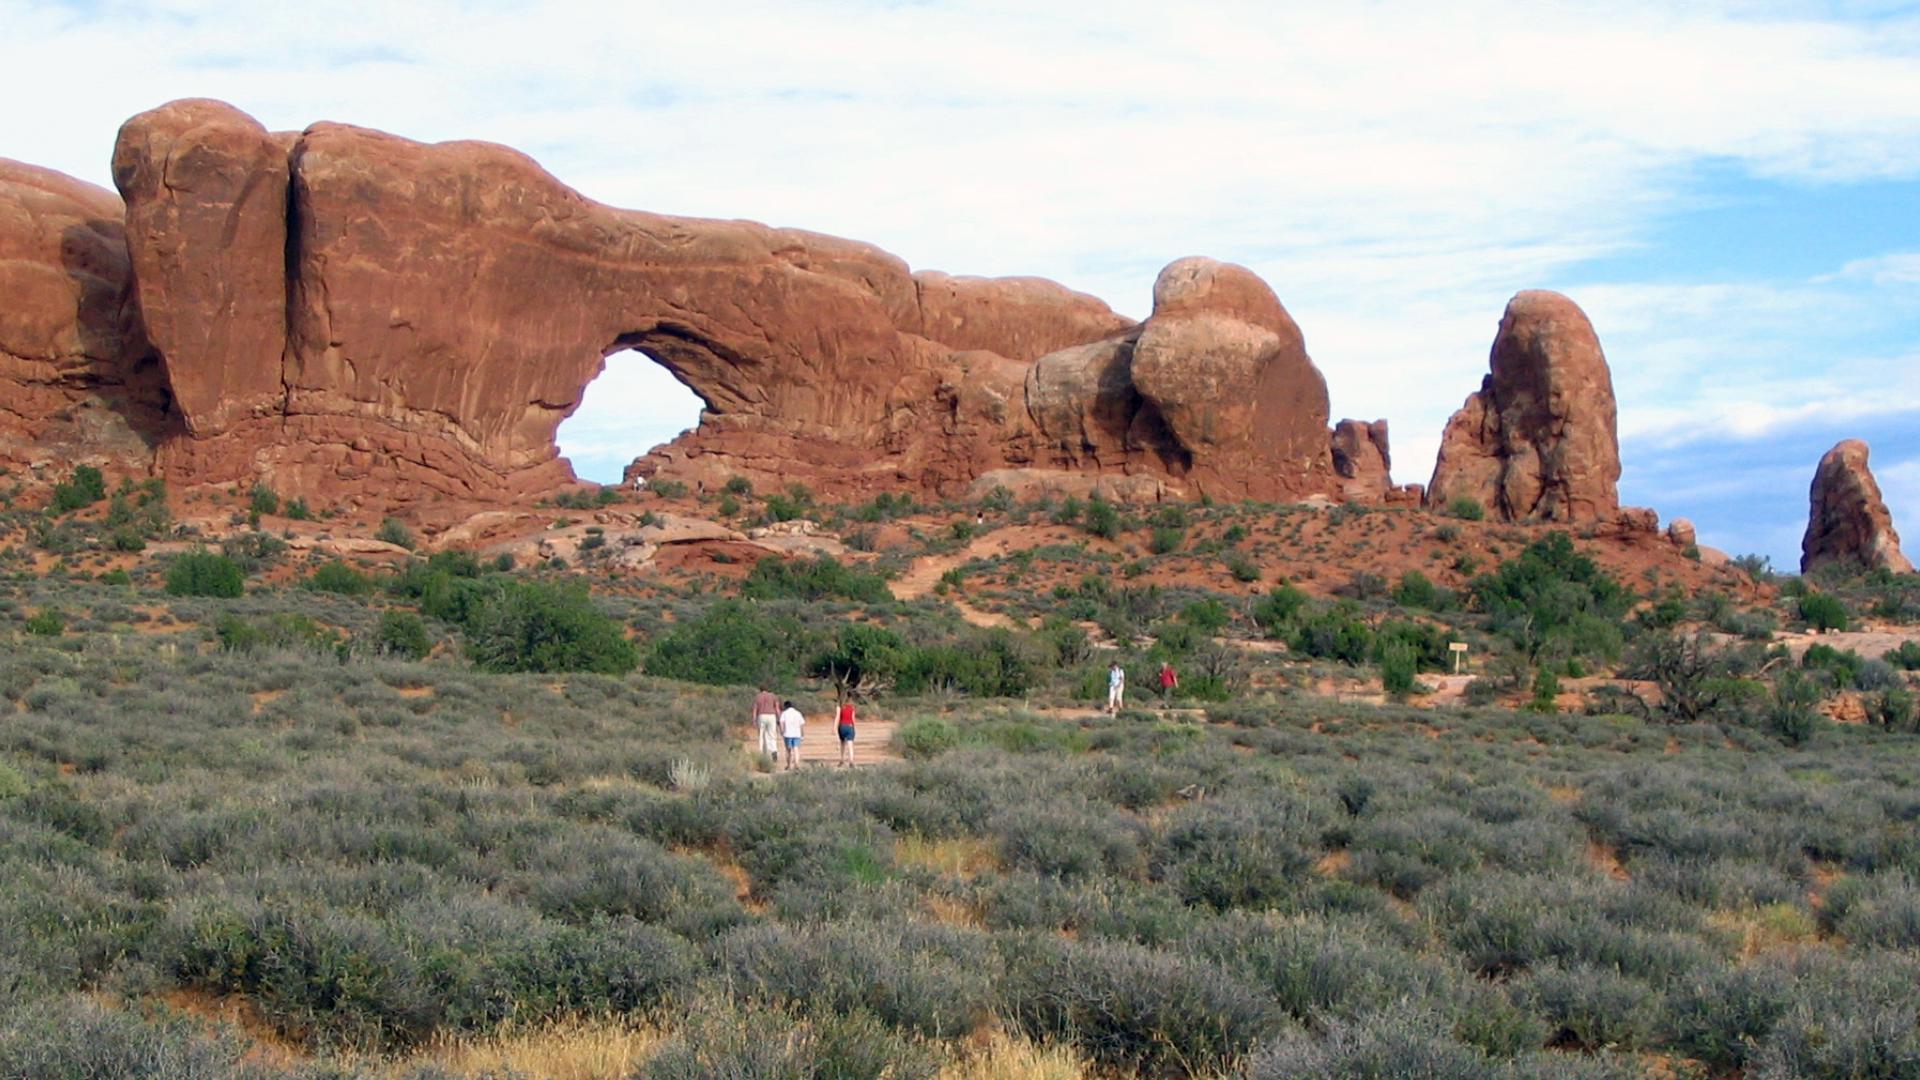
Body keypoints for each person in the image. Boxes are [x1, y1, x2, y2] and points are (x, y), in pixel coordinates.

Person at [752, 684, 780, 764]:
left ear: (760, 689)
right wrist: (779, 717)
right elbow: (777, 708)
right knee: (772, 735)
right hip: (771, 715)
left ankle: (762, 753)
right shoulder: (773, 696)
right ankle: (774, 750)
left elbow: (755, 709)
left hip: (761, 715)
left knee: (761, 735)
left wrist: (754, 719)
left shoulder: (758, 697)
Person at [778, 699, 806, 771]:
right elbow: (801, 724)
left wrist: (782, 731)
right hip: (797, 734)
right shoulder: (798, 713)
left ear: (785, 706)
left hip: (787, 734)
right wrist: (802, 733)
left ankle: (788, 765)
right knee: (796, 749)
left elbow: (781, 723)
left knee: (788, 750)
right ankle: (796, 764)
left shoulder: (784, 713)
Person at [836, 697, 857, 768]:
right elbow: (853, 719)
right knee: (850, 745)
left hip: (842, 726)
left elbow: (838, 718)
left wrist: (834, 727)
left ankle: (842, 759)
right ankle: (851, 761)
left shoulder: (840, 707)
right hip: (850, 726)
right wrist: (854, 728)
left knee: (842, 743)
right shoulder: (852, 708)